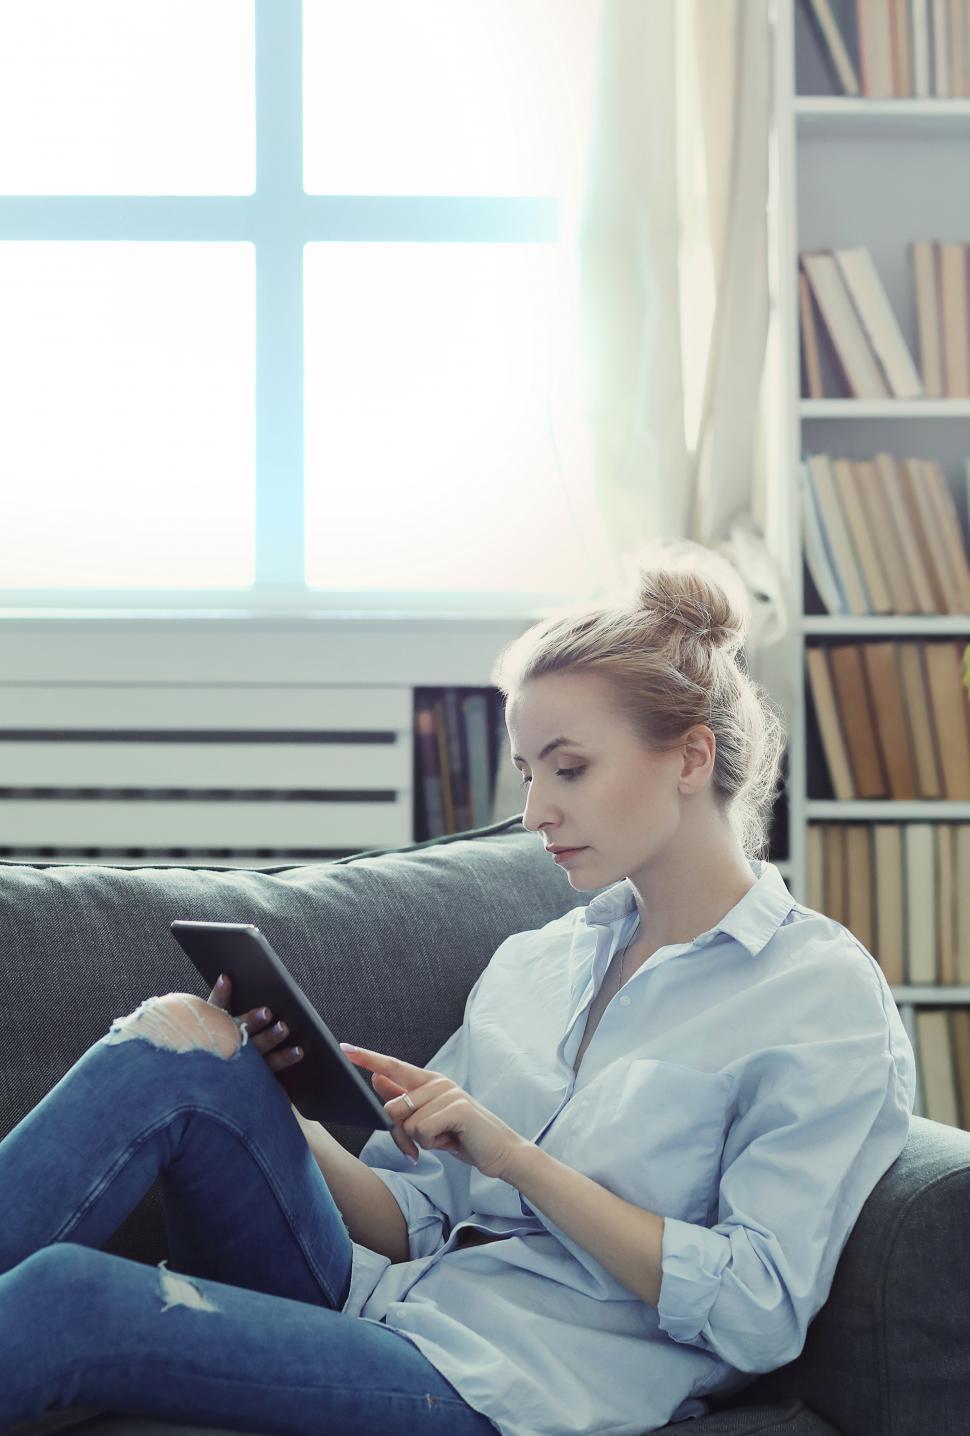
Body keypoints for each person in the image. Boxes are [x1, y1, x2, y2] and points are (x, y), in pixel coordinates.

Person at [0, 542, 915, 1436]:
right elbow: (408, 1221)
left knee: (68, 1298)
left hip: (512, 1385)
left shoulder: (815, 996)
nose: (535, 812)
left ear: (689, 758)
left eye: (569, 767)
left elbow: (760, 1309)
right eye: (528, 775)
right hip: (382, 1302)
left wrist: (514, 1157)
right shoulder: (536, 963)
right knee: (184, 1035)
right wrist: (275, 1108)